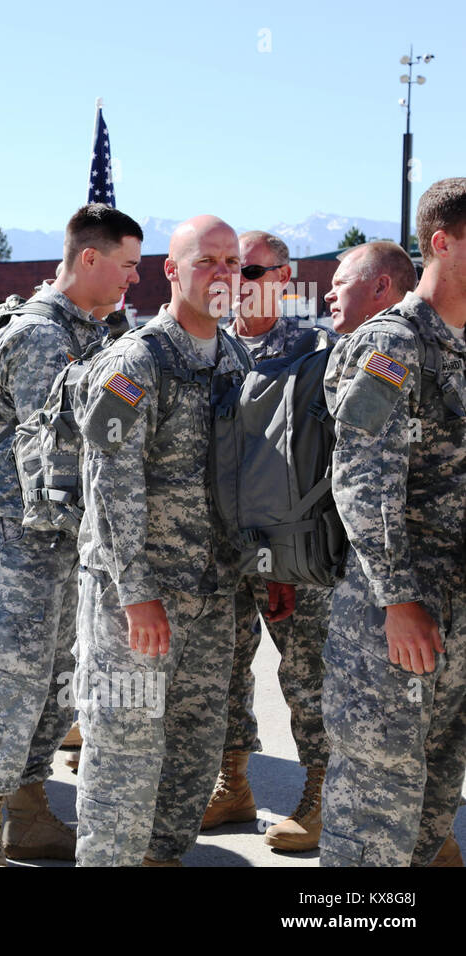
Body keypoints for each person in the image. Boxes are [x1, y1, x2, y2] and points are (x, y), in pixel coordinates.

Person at [0, 204, 143, 865]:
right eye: (126, 266)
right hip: (17, 532)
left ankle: (28, 806)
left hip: (60, 534)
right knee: (14, 675)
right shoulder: (41, 335)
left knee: (58, 672)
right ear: (89, 258)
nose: (132, 281)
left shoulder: (87, 331)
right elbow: (55, 443)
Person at [74, 215, 257, 867]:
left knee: (192, 753)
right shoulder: (135, 363)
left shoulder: (236, 358)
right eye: (205, 261)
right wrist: (137, 595)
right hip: (140, 604)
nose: (222, 275)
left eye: (232, 263)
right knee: (123, 755)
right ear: (171, 271)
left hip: (213, 601)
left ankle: (160, 858)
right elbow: (108, 482)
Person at [320, 178, 466, 867]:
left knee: (436, 799)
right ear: (442, 242)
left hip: (457, 610)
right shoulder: (394, 343)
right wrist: (398, 598)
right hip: (398, 608)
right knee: (373, 804)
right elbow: (361, 476)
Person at [203, 231, 330, 849]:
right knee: (225, 669)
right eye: (229, 269)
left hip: (291, 547)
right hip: (219, 546)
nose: (236, 281)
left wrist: (288, 558)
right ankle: (233, 784)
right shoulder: (209, 351)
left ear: (284, 277)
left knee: (307, 672)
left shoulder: (314, 353)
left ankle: (320, 793)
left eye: (250, 270)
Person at [324, 240, 418, 335]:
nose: (328, 296)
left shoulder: (384, 343)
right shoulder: (416, 336)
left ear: (380, 287)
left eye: (341, 283)